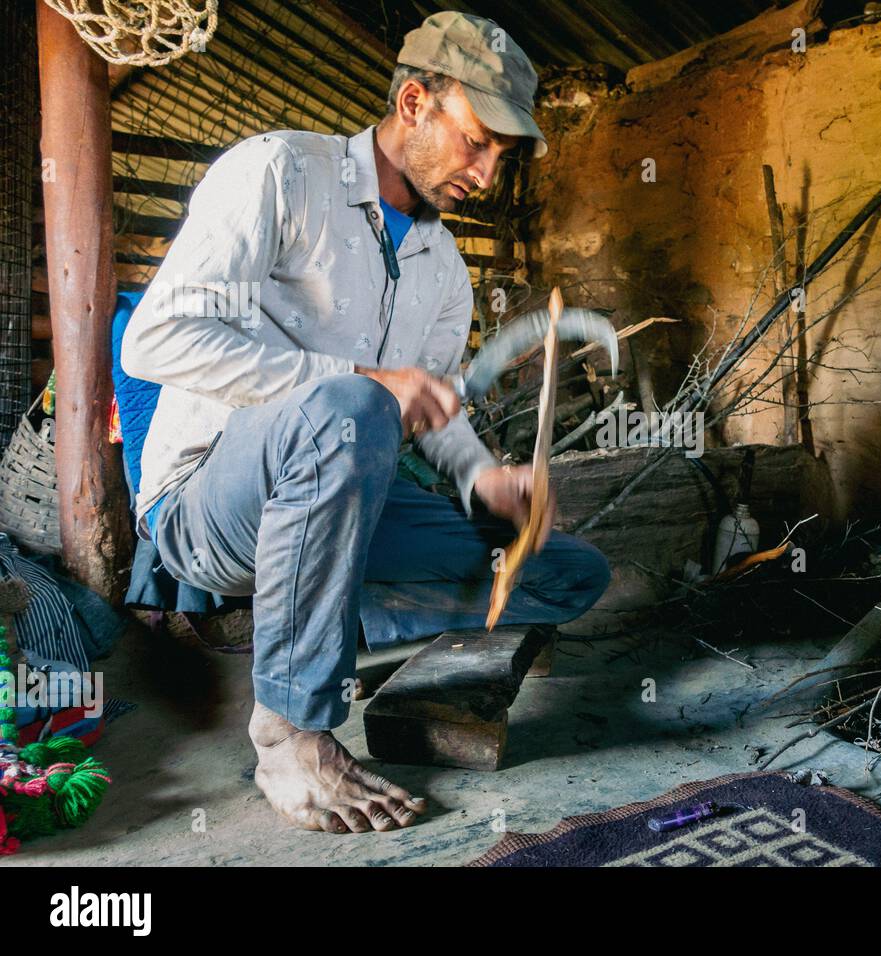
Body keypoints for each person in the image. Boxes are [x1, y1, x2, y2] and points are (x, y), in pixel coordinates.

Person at [121, 12, 610, 834]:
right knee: (349, 408)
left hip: (343, 504)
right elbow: (156, 338)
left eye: (502, 155)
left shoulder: (443, 268)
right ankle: (293, 736)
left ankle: (318, 613)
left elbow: (431, 406)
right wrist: (356, 378)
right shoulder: (278, 174)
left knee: (566, 573)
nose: (487, 175)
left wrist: (482, 474)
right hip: (207, 505)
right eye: (477, 142)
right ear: (414, 103)